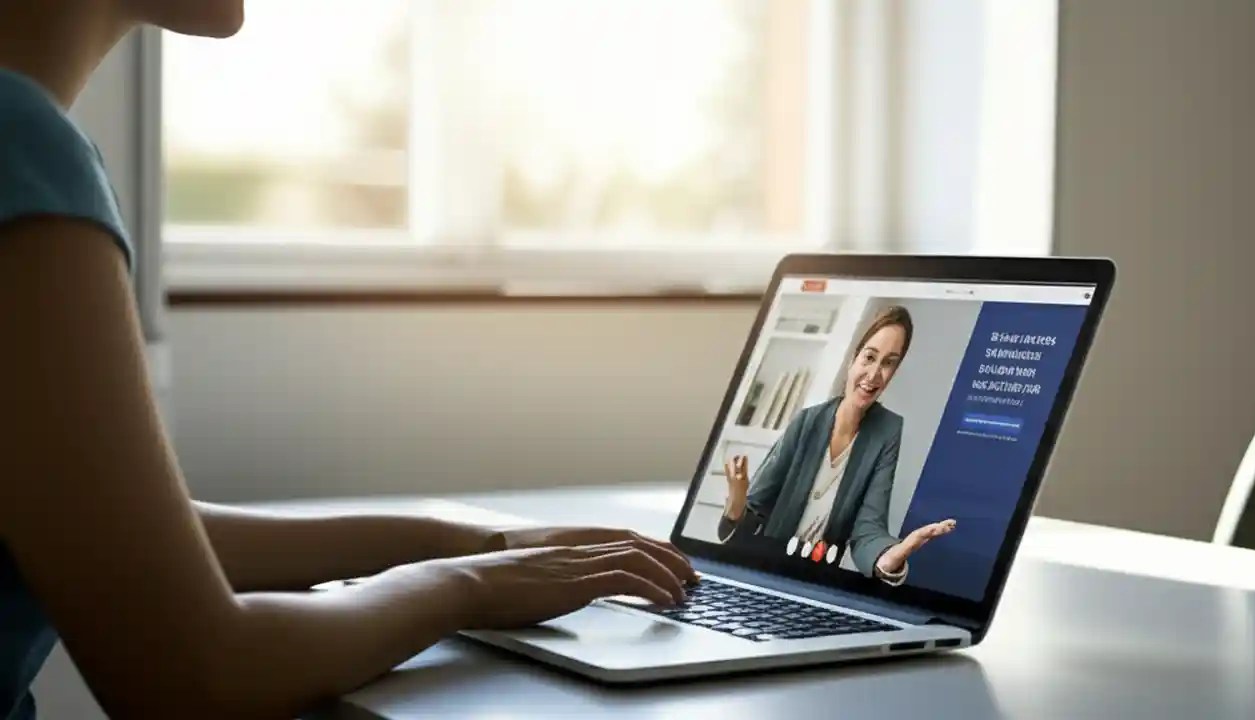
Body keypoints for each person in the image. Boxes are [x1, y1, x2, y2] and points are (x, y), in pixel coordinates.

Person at [0, 3, 697, 718]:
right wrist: (467, 586)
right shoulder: (23, 145)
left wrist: (475, 543)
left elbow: (121, 538)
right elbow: (195, 671)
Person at [718, 306, 956, 584]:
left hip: (819, 582)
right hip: (766, 572)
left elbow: (868, 528)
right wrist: (737, 501)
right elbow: (750, 521)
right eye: (869, 357)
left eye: (889, 363)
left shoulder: (887, 431)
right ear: (854, 358)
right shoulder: (807, 422)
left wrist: (890, 556)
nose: (874, 374)